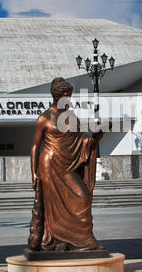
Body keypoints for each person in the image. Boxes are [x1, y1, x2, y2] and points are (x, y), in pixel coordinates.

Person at [27, 77, 104, 252]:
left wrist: (95, 138)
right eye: (66, 96)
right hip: (50, 164)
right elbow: (35, 146)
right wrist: (33, 172)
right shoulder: (44, 118)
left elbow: (82, 141)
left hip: (68, 165)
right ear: (57, 96)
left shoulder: (71, 118)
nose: (69, 99)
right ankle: (56, 239)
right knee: (52, 205)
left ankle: (83, 240)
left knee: (82, 197)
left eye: (70, 96)